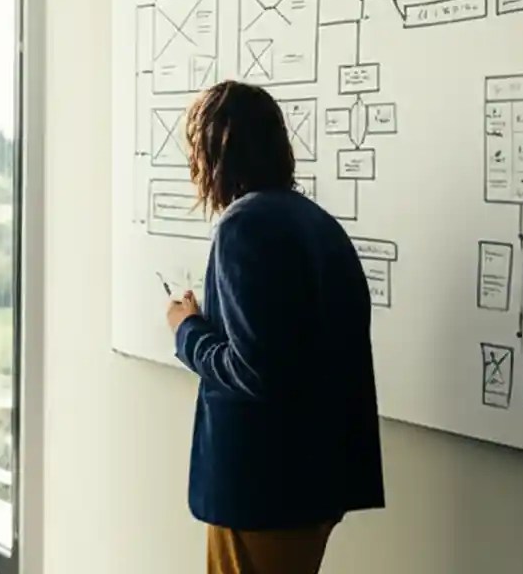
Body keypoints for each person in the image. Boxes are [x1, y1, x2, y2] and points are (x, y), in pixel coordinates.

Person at [164, 80, 385, 574]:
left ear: (214, 152)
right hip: (316, 484)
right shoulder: (318, 223)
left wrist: (186, 328)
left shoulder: (245, 226)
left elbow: (257, 367)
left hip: (262, 490)